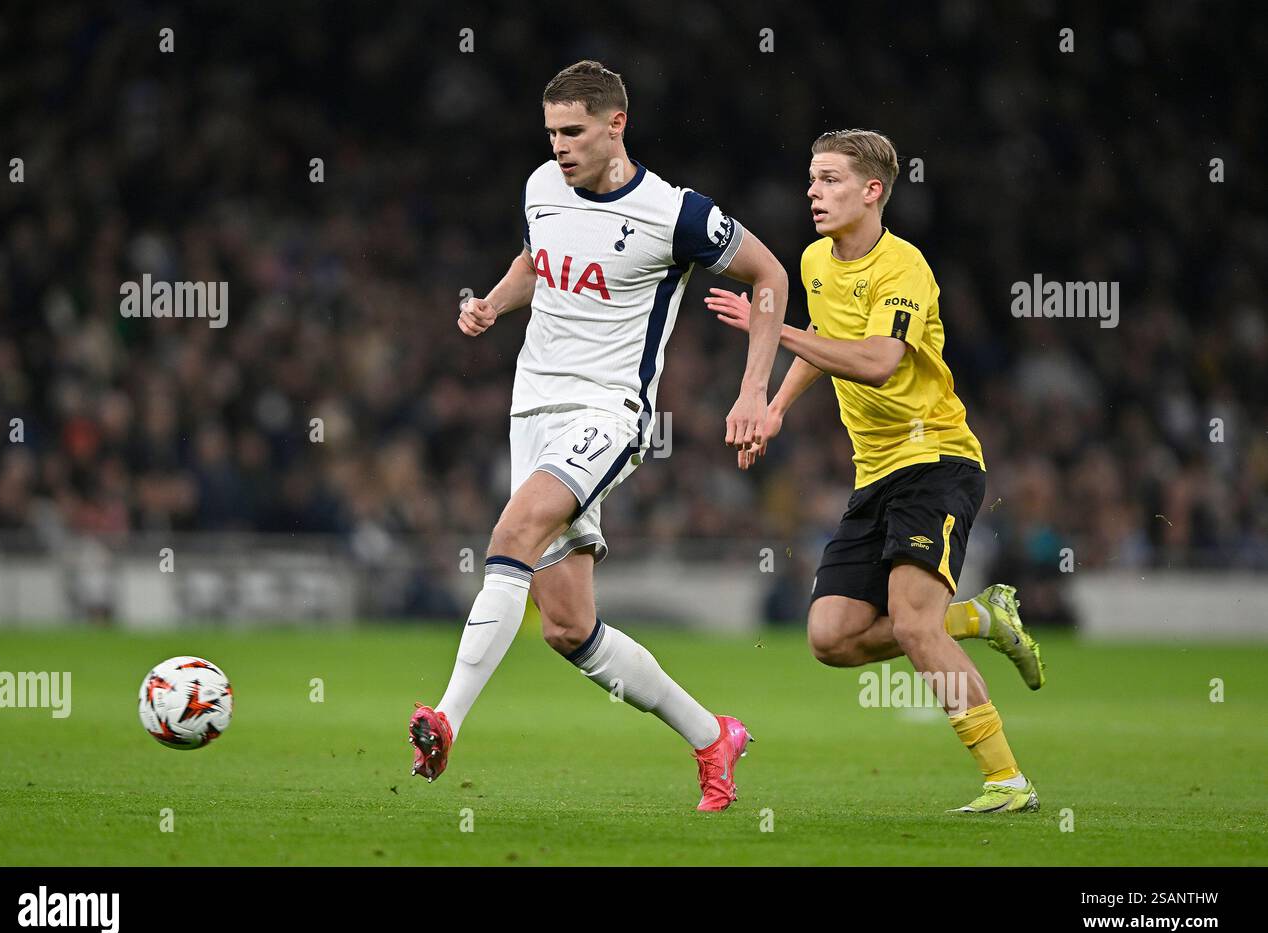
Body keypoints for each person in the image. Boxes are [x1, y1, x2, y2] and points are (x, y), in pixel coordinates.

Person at [409, 61, 788, 811]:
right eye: (551, 132)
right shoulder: (540, 187)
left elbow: (769, 273)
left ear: (618, 124)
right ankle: (713, 735)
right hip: (532, 411)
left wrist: (754, 390)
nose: (560, 147)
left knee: (512, 529)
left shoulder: (676, 214)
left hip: (609, 412)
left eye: (574, 132)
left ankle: (445, 718)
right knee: (567, 625)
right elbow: (536, 262)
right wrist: (492, 301)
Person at [707, 129, 1045, 813]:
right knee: (830, 638)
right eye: (810, 178)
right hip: (876, 474)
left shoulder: (904, 269)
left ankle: (1007, 781)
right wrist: (773, 408)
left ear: (872, 192)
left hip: (937, 460)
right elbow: (825, 345)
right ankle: (978, 617)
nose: (813, 191)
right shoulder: (812, 261)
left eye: (830, 179)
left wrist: (768, 328)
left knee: (915, 624)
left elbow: (876, 360)